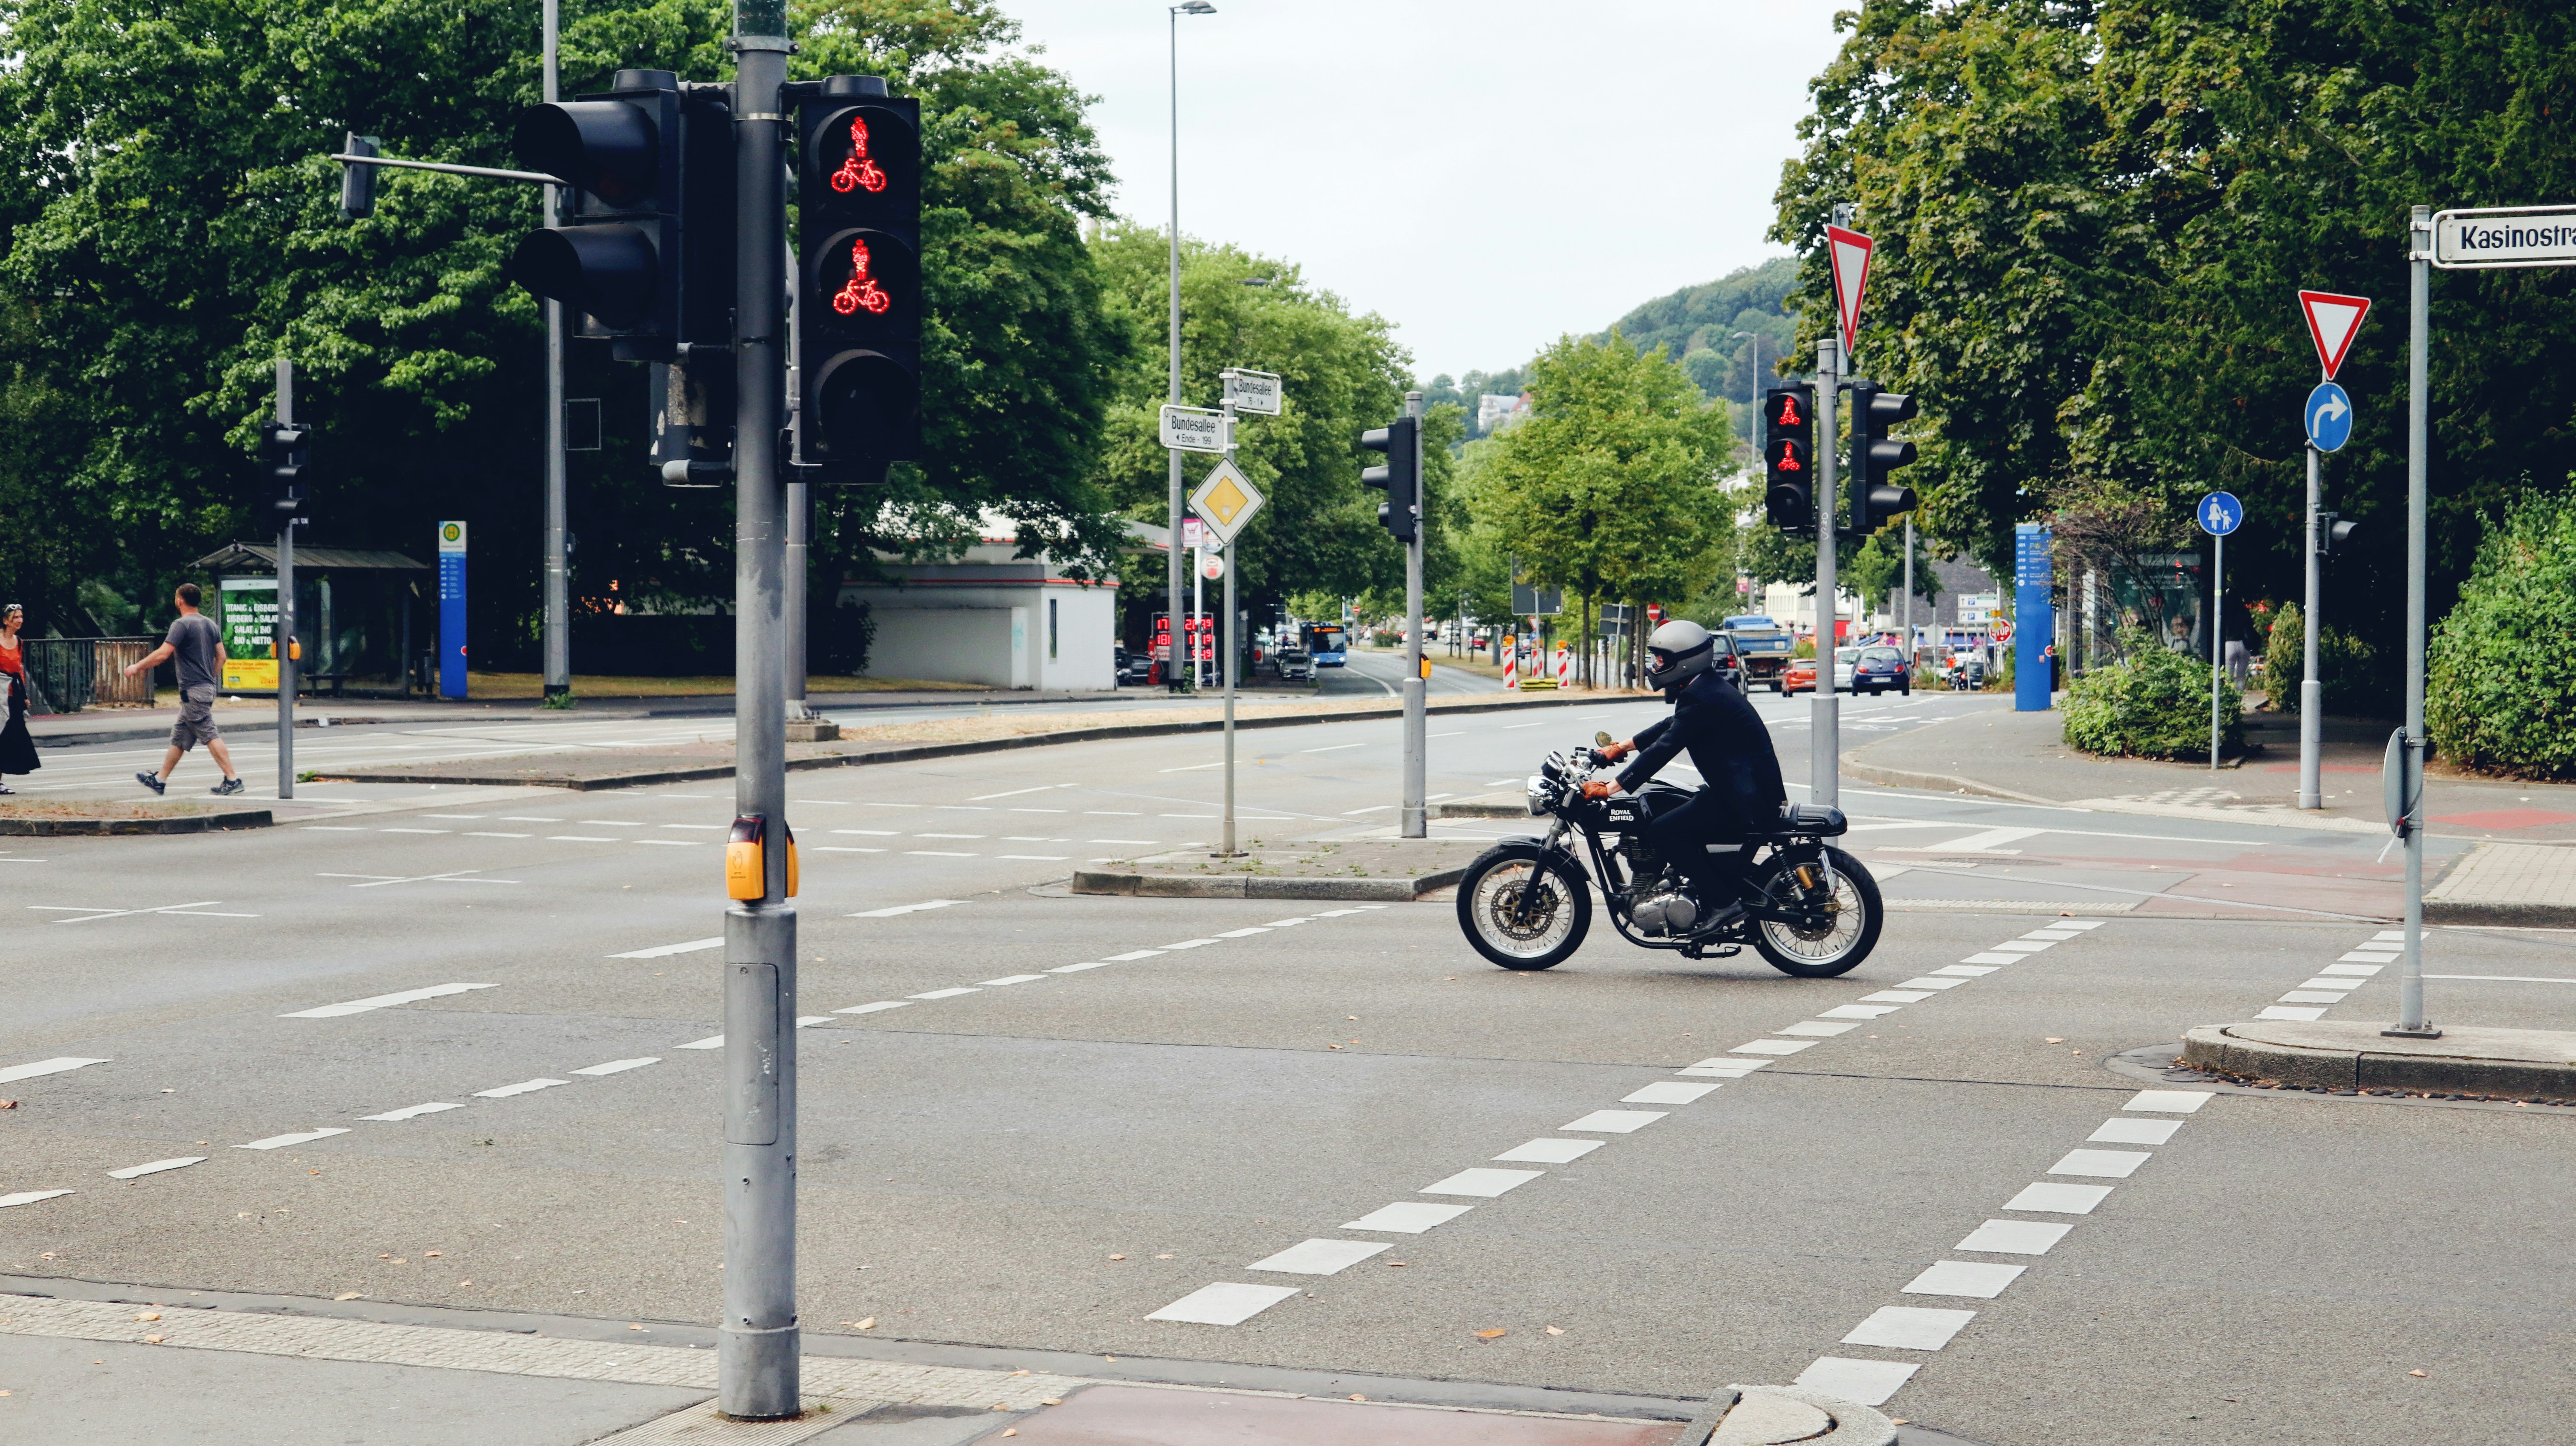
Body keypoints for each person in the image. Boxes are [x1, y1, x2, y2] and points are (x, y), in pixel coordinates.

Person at [1583, 619, 1789, 930]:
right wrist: (1621, 746)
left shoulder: (1702, 697)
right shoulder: (1704, 690)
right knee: (1671, 809)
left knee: (1664, 832)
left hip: (1745, 799)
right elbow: (1672, 725)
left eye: (1661, 659)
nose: (1656, 665)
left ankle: (1724, 903)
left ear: (1685, 660)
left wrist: (1612, 787)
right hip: (1741, 790)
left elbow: (1666, 746)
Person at [123, 583, 243, 796]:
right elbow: (222, 657)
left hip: (193, 691)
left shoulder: (181, 624)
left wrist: (137, 667)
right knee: (180, 737)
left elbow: (162, 654)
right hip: (204, 688)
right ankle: (160, 780)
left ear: (180, 600)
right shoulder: (210, 625)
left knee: (208, 733)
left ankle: (233, 779)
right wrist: (209, 678)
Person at [0, 604, 40, 793]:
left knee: (9, 738)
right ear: (6, 621)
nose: (20, 620)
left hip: (12, 695)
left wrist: (24, 696)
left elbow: (19, 669)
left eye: (21, 617)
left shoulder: (19, 642)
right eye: (16, 617)